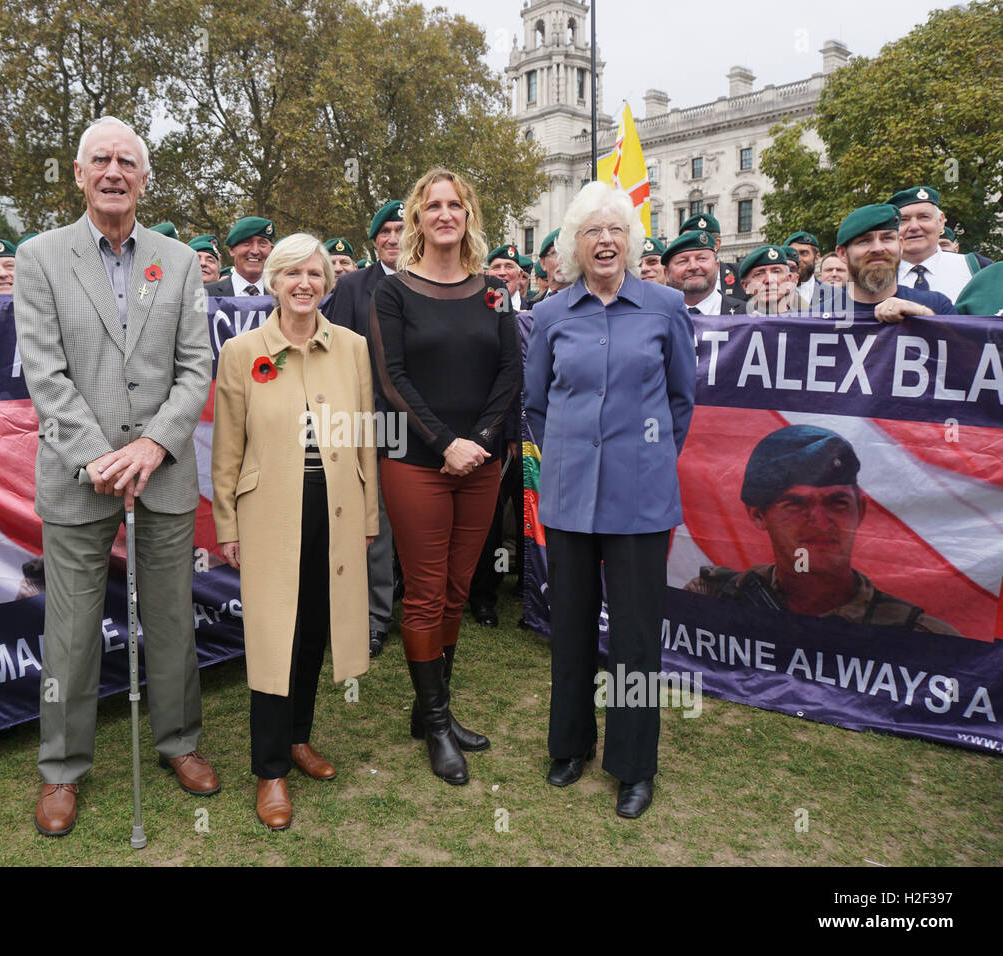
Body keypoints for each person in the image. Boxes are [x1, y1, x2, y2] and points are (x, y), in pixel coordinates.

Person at [15, 115, 217, 837]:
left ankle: (180, 743)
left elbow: (197, 366)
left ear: (143, 177)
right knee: (70, 632)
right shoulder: (39, 257)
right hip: (79, 477)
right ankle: (62, 768)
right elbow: (45, 370)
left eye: (126, 161)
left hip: (160, 475)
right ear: (78, 174)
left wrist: (156, 445)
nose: (113, 172)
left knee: (169, 619)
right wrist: (98, 454)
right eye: (99, 159)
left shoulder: (180, 261)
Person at [526, 181, 695, 819]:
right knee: (569, 629)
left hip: (640, 500)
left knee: (634, 637)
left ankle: (633, 765)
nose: (604, 240)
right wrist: (575, 454)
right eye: (592, 231)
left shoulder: (665, 307)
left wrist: (642, 456)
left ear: (632, 241)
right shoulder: (550, 315)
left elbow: (681, 401)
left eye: (615, 230)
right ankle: (569, 747)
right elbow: (537, 404)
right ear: (575, 244)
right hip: (569, 497)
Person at [211, 233, 378, 830]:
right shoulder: (242, 350)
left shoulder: (352, 348)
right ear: (274, 282)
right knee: (274, 635)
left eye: (314, 274)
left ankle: (301, 738)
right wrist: (226, 521)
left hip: (335, 504)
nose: (305, 283)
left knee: (314, 628)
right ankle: (271, 768)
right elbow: (228, 446)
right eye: (292, 274)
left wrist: (368, 514)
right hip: (268, 511)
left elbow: (365, 439)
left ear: (327, 283)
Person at [368, 167, 519, 785]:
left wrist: (479, 441)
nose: (446, 214)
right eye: (434, 205)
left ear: (469, 216)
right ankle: (435, 726)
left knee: (458, 589)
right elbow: (391, 379)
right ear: (418, 218)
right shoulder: (394, 293)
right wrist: (445, 442)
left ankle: (434, 706)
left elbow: (510, 373)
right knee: (426, 593)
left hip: (481, 464)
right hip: (416, 462)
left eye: (456, 204)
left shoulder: (494, 293)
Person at [684, 425, 959, 634]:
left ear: (860, 511)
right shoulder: (714, 596)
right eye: (794, 504)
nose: (820, 521)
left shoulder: (920, 634)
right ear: (758, 515)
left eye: (837, 503)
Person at [326, 199, 405, 658]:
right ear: (373, 240)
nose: (393, 239)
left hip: (421, 428)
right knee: (372, 523)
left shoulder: (428, 281)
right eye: (385, 232)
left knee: (415, 524)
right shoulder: (354, 286)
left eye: (400, 230)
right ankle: (375, 618)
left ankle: (419, 609)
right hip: (367, 423)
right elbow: (336, 357)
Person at [819, 204, 957, 322]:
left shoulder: (937, 306)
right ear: (842, 253)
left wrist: (926, 317)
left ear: (900, 246)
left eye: (887, 238)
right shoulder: (817, 317)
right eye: (864, 241)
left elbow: (963, 351)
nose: (878, 248)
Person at [888, 186, 974, 301]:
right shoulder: (876, 275)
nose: (914, 227)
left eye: (924, 217)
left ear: (940, 221)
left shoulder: (973, 268)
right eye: (903, 220)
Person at [663, 230, 746, 315]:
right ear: (667, 274)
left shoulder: (747, 316)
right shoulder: (656, 317)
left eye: (701, 259)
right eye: (683, 261)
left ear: (717, 266)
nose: (693, 267)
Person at [204, 216, 276, 297]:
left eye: (262, 243)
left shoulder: (281, 294)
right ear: (231, 250)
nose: (255, 251)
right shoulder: (206, 295)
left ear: (271, 250)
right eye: (246, 243)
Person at [678, 212, 744, 298]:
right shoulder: (673, 282)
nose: (693, 248)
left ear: (716, 244)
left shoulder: (742, 276)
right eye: (687, 243)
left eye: (701, 242)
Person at [739, 245, 804, 315]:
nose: (769, 280)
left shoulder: (805, 322)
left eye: (776, 272)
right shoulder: (736, 324)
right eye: (759, 274)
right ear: (746, 286)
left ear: (789, 279)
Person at [485, 244, 525, 311]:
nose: (502, 273)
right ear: (486, 275)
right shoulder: (476, 308)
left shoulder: (534, 310)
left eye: (509, 267)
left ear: (520, 275)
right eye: (496, 267)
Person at [785, 231, 820, 305]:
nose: (797, 259)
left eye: (804, 253)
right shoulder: (769, 296)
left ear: (816, 258)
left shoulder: (835, 296)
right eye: (792, 254)